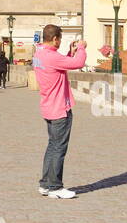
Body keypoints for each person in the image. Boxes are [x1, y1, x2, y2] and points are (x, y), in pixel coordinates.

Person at [34, 24, 87, 199]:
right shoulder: (51, 56)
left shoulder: (39, 53)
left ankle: (45, 184)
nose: (60, 42)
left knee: (52, 147)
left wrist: (69, 54)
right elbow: (79, 63)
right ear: (55, 39)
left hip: (48, 105)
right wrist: (81, 48)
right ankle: (55, 186)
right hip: (59, 108)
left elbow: (59, 66)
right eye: (60, 39)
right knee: (59, 149)